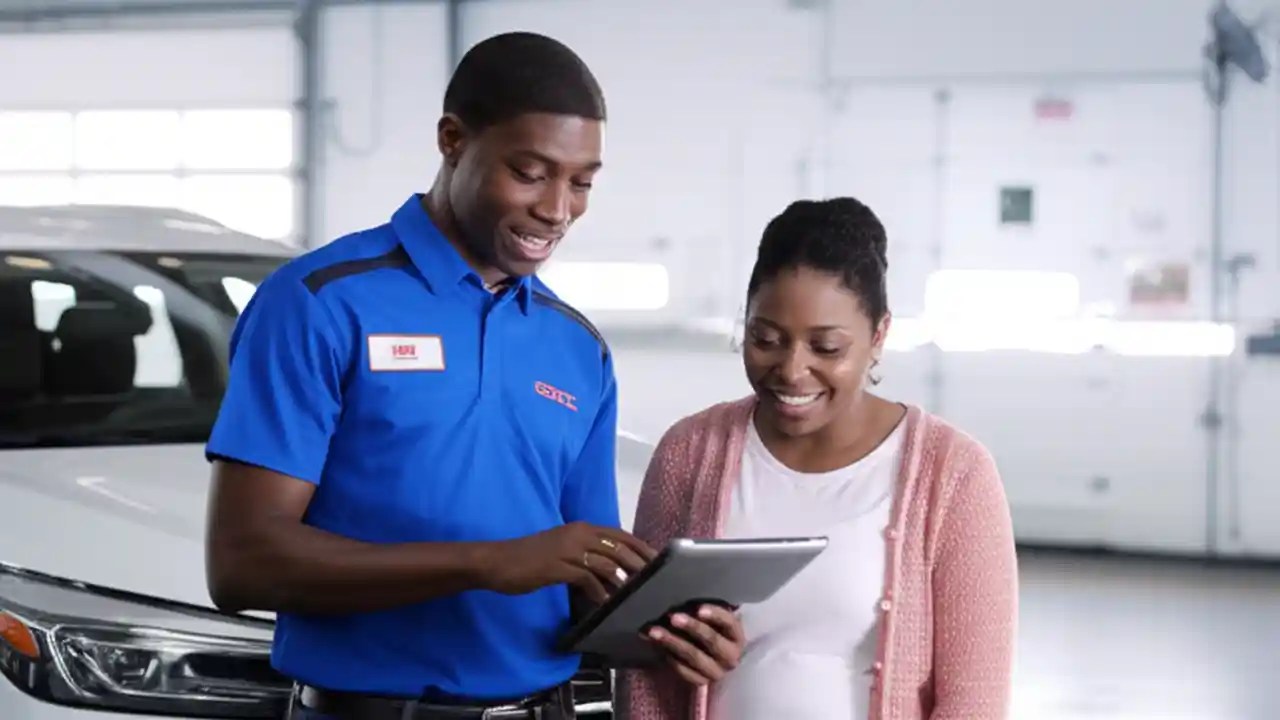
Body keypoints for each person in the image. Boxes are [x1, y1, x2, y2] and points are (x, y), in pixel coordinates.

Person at [202, 32, 738, 720]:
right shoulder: (320, 302)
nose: (558, 209)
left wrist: (675, 628)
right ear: (452, 139)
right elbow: (244, 563)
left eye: (582, 182)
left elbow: (586, 580)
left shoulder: (578, 348)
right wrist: (485, 563)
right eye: (530, 171)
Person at [620, 197, 1018, 720]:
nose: (791, 370)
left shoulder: (954, 473)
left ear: (879, 336)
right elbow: (642, 675)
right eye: (766, 338)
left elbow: (975, 701)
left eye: (826, 348)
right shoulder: (690, 453)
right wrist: (676, 646)